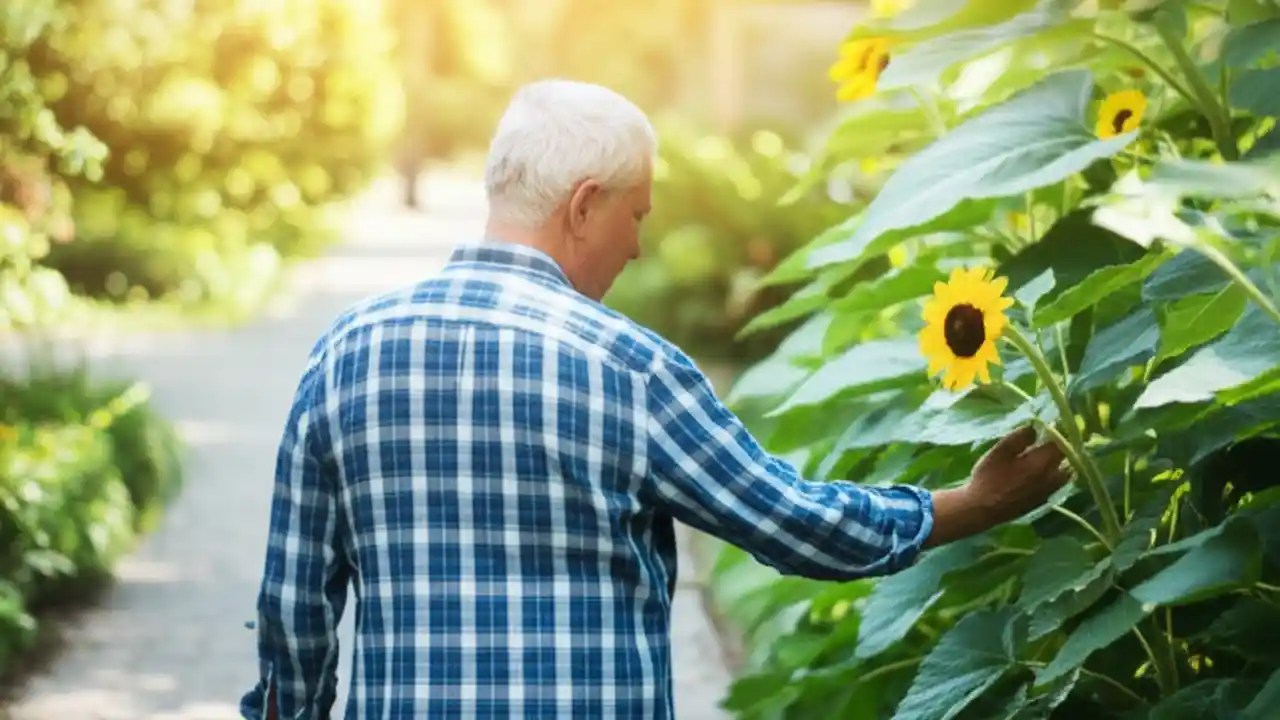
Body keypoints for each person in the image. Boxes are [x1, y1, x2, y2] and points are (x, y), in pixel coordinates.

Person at [239, 79, 1070, 719]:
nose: (638, 247)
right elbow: (791, 521)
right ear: (583, 205)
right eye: (635, 216)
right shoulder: (629, 370)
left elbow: (294, 606)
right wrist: (969, 504)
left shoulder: (345, 353)